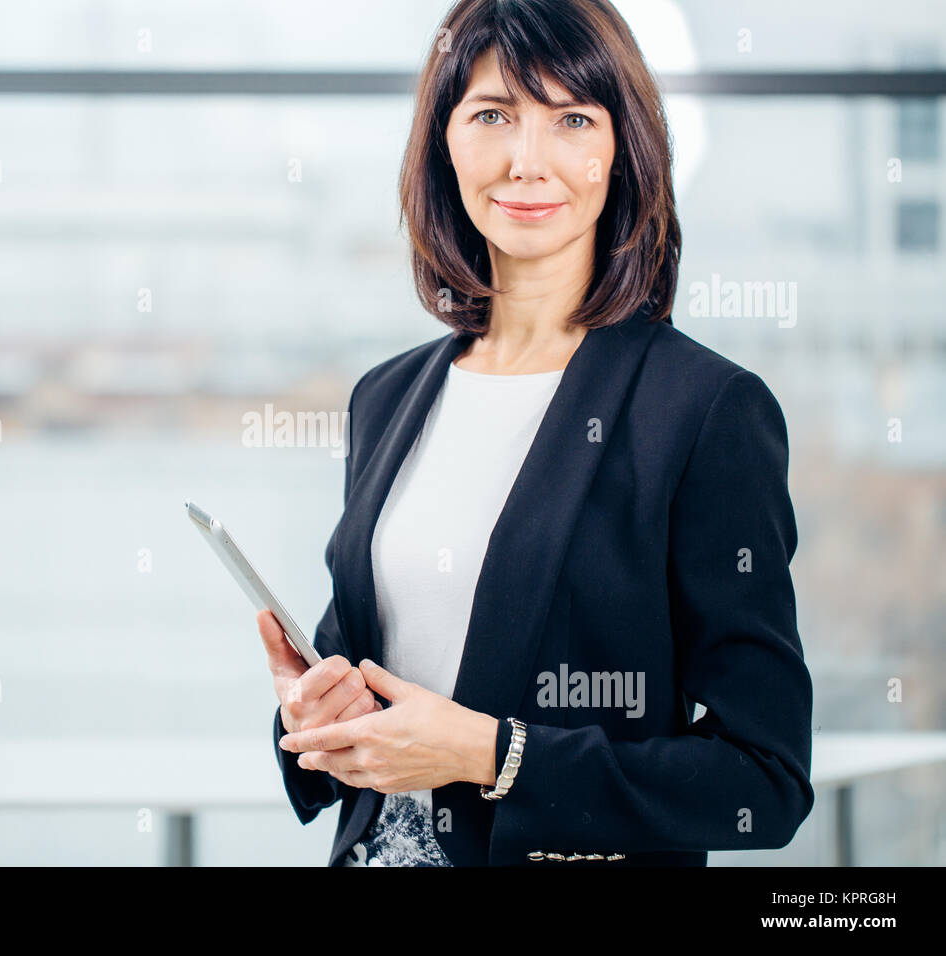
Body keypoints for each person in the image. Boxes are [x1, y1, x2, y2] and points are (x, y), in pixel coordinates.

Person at [259, 0, 814, 867]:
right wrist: (314, 715)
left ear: (620, 150)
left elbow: (763, 780)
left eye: (572, 119)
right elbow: (378, 688)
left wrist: (492, 756)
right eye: (492, 115)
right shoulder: (388, 398)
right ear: (445, 141)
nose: (528, 160)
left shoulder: (704, 411)